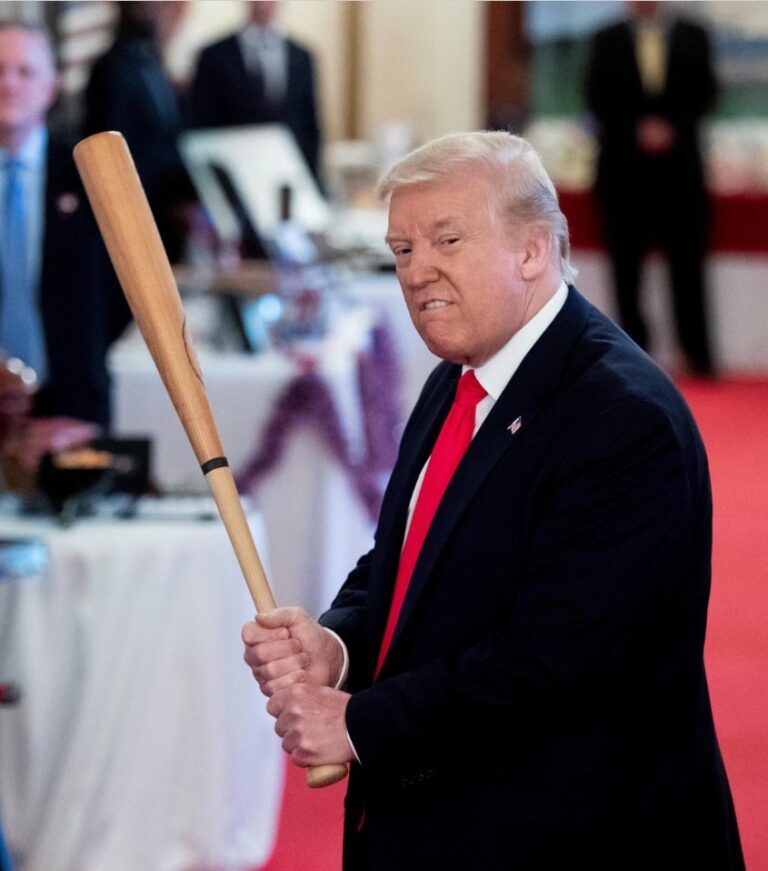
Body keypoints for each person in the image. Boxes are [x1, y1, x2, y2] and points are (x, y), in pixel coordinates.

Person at [241, 132, 744, 870]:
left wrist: (360, 724)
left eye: (447, 240)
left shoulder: (622, 419)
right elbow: (408, 557)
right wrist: (339, 645)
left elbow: (556, 662)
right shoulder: (460, 374)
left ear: (533, 250)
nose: (417, 271)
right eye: (402, 249)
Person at [0, 21, 130, 429]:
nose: (9, 83)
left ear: (50, 86)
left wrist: (82, 354)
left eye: (25, 71)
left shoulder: (90, 177)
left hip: (72, 406)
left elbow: (120, 288)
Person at [586, 2, 717, 376]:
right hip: (623, 172)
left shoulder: (694, 36)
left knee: (688, 266)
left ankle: (696, 354)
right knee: (626, 271)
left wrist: (670, 127)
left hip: (680, 172)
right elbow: (597, 96)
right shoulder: (606, 39)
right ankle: (633, 357)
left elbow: (707, 93)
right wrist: (637, 128)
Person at [84, 1, 194, 263]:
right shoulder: (111, 68)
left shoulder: (152, 61)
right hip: (134, 210)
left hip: (166, 210)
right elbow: (111, 149)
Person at [188, 0, 321, 180]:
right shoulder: (215, 55)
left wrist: (311, 178)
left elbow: (309, 124)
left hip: (287, 172)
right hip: (235, 170)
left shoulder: (302, 56)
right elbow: (202, 122)